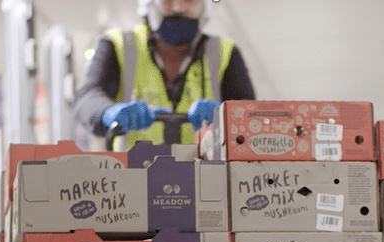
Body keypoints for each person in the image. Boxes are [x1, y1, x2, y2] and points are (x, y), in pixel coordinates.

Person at [73, 0, 256, 148]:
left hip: (206, 178)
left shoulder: (225, 53)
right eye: (168, 0)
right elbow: (88, 98)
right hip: (133, 179)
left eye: (189, 0)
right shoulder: (118, 45)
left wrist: (226, 115)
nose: (178, 7)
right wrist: (109, 113)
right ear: (149, 4)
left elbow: (252, 117)